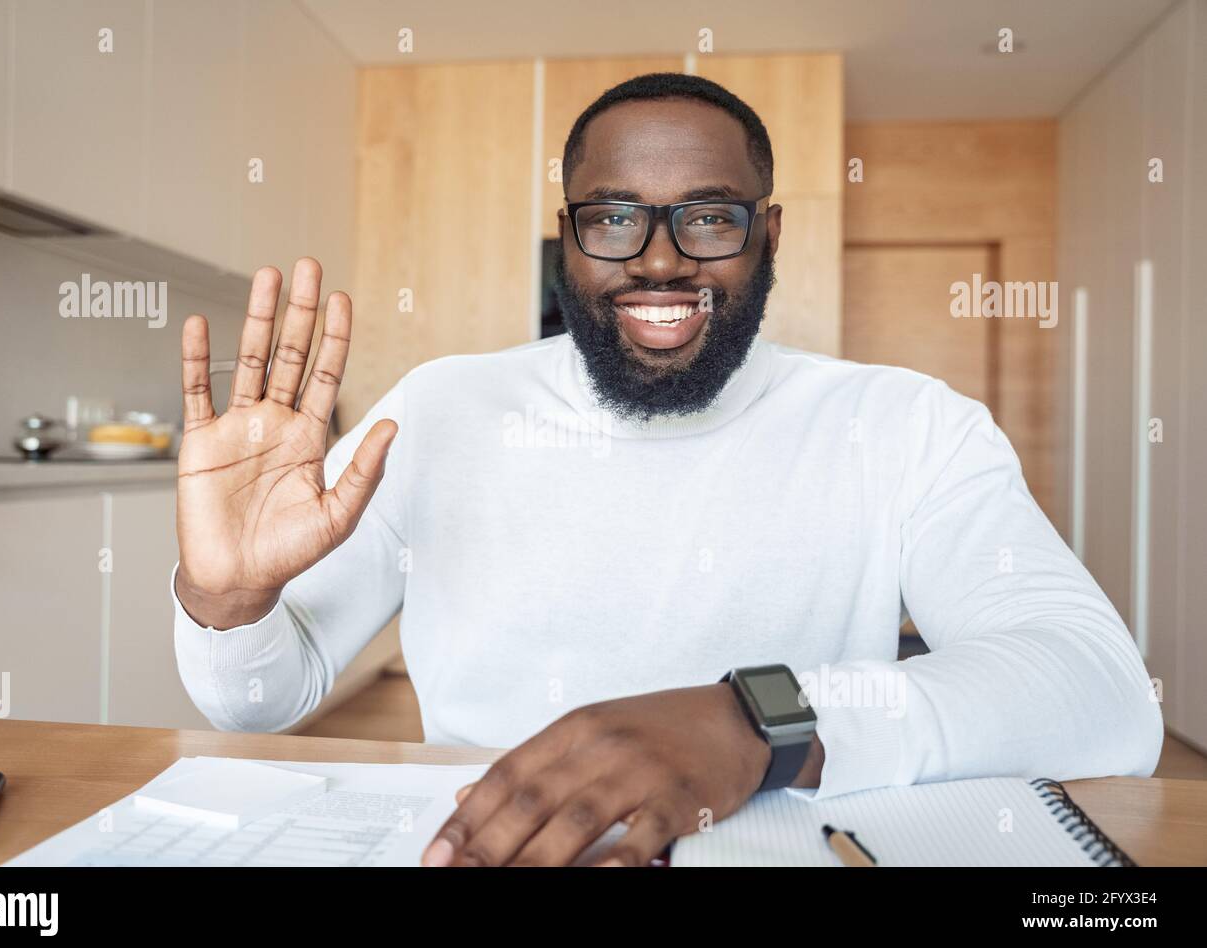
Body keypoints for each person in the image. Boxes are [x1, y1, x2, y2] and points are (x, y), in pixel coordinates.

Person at [171, 73, 1162, 867]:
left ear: (768, 233)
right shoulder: (436, 410)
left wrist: (759, 722)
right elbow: (255, 701)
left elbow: (1106, 696)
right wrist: (230, 600)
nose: (658, 261)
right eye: (612, 217)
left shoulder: (905, 424)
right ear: (569, 236)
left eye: (709, 217)